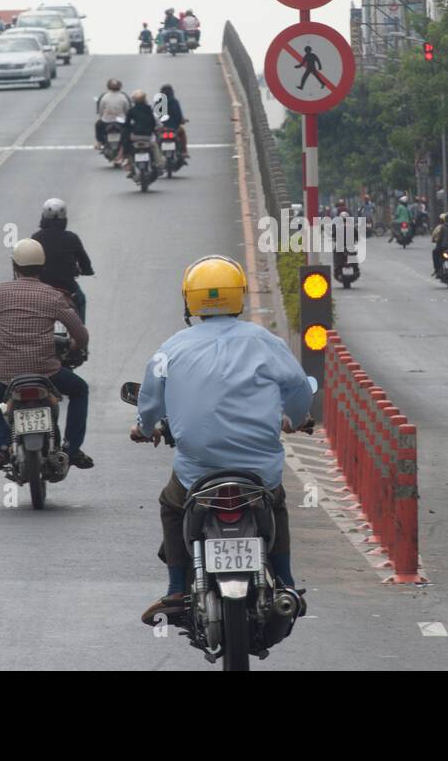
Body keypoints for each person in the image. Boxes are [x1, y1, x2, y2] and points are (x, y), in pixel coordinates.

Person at [134, 256, 313, 626]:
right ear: (239, 296)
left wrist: (145, 427)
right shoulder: (266, 342)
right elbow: (298, 387)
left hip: (196, 472)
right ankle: (285, 582)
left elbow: (150, 399)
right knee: (275, 503)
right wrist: (296, 419)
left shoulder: (172, 348)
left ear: (189, 300)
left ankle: (177, 589)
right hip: (258, 472)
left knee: (171, 505)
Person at [0, 239, 93, 471]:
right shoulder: (52, 296)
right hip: (47, 372)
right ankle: (72, 449)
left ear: (15, 266)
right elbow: (80, 334)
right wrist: (75, 345)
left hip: (8, 376)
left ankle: (4, 446)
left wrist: (1, 338)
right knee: (80, 390)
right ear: (42, 266)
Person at [31, 199, 94, 323]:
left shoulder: (36, 237)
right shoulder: (72, 238)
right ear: (64, 219)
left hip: (42, 289)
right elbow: (85, 262)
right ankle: (81, 333)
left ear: (44, 217)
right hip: (68, 288)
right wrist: (87, 271)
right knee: (80, 300)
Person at [122, 89, 164, 174]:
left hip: (135, 136)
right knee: (155, 146)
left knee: (128, 145)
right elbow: (157, 124)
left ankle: (127, 160)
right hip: (148, 136)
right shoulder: (150, 110)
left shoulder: (131, 111)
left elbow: (126, 125)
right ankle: (159, 164)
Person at [96, 78, 133, 151]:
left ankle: (99, 142)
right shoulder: (123, 97)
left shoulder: (104, 97)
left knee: (98, 125)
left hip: (107, 121)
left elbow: (101, 110)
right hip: (121, 122)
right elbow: (127, 110)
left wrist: (101, 118)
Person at [159, 83, 189, 159]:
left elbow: (155, 116)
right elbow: (178, 115)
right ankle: (184, 151)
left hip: (162, 128)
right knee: (182, 132)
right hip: (174, 128)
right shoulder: (174, 101)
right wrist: (182, 121)